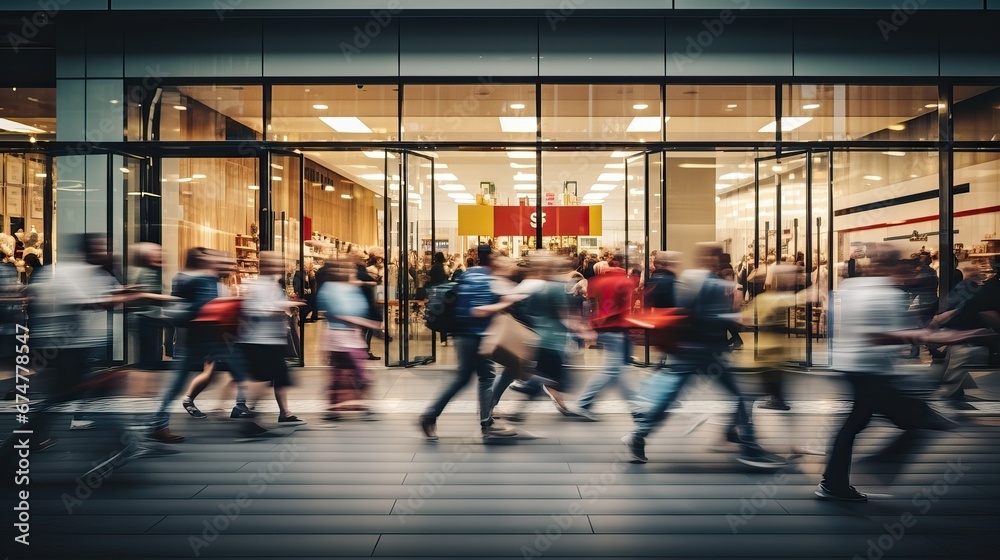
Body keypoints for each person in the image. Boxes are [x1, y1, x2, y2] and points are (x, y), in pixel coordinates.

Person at [817, 243, 956, 502]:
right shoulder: (887, 293)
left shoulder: (850, 287)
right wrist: (921, 335)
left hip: (851, 365)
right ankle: (866, 471)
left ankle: (837, 481)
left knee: (858, 421)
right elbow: (876, 336)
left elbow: (855, 330)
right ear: (892, 265)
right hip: (872, 370)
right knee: (917, 419)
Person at [418, 245, 517, 441]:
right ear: (492, 260)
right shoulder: (489, 279)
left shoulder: (468, 274)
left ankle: (435, 416)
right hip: (478, 335)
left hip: (463, 334)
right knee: (481, 377)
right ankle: (481, 422)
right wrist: (503, 302)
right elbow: (480, 310)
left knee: (471, 377)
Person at [148, 247, 223, 443]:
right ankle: (157, 424)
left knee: (185, 380)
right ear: (198, 259)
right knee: (177, 382)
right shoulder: (197, 278)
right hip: (196, 337)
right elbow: (201, 306)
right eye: (207, 257)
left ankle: (158, 423)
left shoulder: (191, 277)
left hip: (202, 336)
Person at [565, 258, 638, 421]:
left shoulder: (595, 282)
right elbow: (627, 306)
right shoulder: (624, 281)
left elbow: (591, 303)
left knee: (616, 369)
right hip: (617, 328)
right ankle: (583, 404)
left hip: (603, 328)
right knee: (613, 370)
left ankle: (636, 405)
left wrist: (591, 324)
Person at [239, 251, 304, 424]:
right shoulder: (259, 286)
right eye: (276, 264)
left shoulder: (272, 285)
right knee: (265, 379)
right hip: (262, 340)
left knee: (279, 377)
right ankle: (249, 413)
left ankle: (284, 413)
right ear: (266, 266)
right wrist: (286, 305)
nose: (280, 267)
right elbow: (259, 311)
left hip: (272, 339)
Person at [318, 259, 381, 419]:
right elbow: (341, 313)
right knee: (354, 372)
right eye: (348, 269)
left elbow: (357, 310)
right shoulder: (330, 289)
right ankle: (346, 405)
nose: (352, 271)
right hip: (339, 338)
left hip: (351, 337)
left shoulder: (350, 288)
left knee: (343, 373)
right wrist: (368, 323)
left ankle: (338, 406)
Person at [428, 251, 451, 346]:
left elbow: (431, 279)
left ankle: (441, 338)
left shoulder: (435, 267)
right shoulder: (442, 267)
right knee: (443, 316)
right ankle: (443, 338)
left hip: (436, 293)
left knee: (438, 316)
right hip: (443, 293)